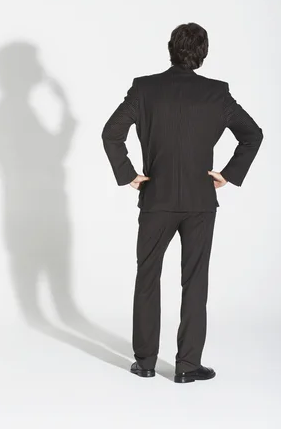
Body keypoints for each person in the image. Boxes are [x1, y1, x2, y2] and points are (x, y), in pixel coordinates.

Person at [101, 23, 263, 383]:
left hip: (156, 198)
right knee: (195, 281)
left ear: (171, 48)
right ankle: (188, 366)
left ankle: (144, 362)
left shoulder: (145, 88)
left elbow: (111, 133)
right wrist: (228, 174)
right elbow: (253, 135)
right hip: (199, 201)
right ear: (203, 53)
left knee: (147, 277)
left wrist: (128, 173)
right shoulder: (217, 94)